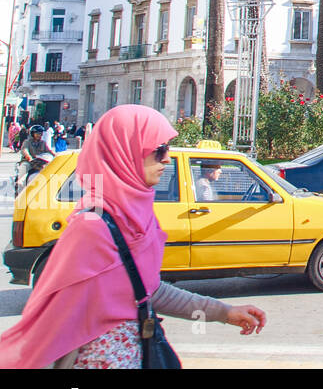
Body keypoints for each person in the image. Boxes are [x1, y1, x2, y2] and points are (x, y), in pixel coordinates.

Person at [0, 105, 266, 369]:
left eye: (167, 149)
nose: (166, 159)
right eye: (158, 150)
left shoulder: (136, 216)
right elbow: (52, 321)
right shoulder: (92, 227)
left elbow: (146, 290)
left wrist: (224, 312)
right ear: (123, 154)